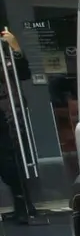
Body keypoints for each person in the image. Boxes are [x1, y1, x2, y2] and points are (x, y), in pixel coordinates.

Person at [0, 26, 41, 225]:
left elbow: (23, 73)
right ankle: (21, 205)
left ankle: (25, 206)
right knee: (6, 162)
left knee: (15, 158)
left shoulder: (5, 52)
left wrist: (15, 47)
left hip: (11, 113)